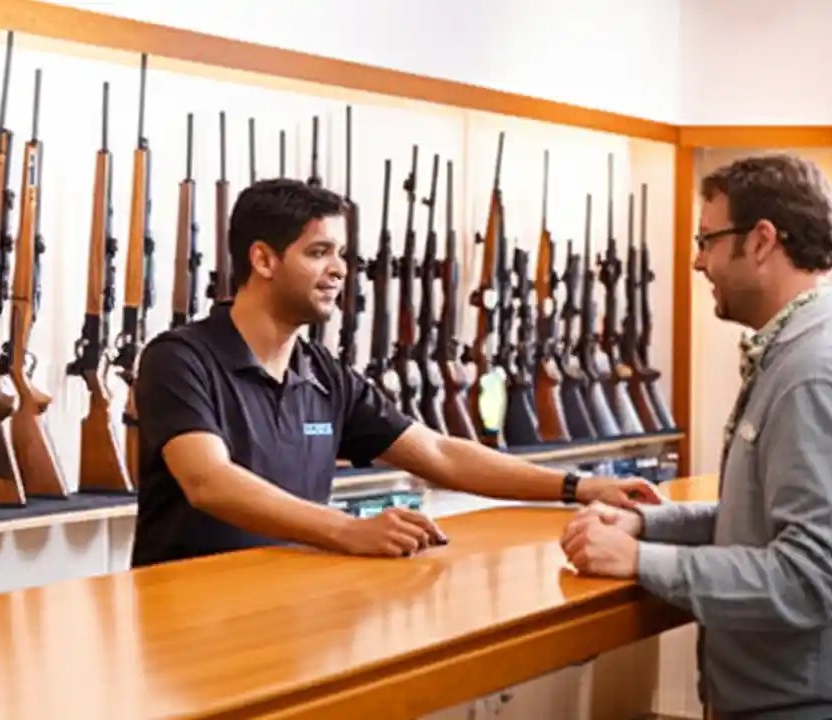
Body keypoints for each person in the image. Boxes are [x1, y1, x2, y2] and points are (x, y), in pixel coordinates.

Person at [560, 154, 832, 719]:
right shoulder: (813, 355)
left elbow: (811, 577)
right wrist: (650, 524)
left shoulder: (819, 374)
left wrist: (638, 560)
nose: (697, 260)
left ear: (761, 241)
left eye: (708, 239)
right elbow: (767, 527)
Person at [130, 178, 659, 568]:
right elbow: (209, 481)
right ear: (263, 260)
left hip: (291, 602)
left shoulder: (323, 375)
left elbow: (438, 452)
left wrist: (578, 486)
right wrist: (347, 529)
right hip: (187, 610)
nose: (339, 269)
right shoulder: (179, 359)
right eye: (318, 253)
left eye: (341, 253)